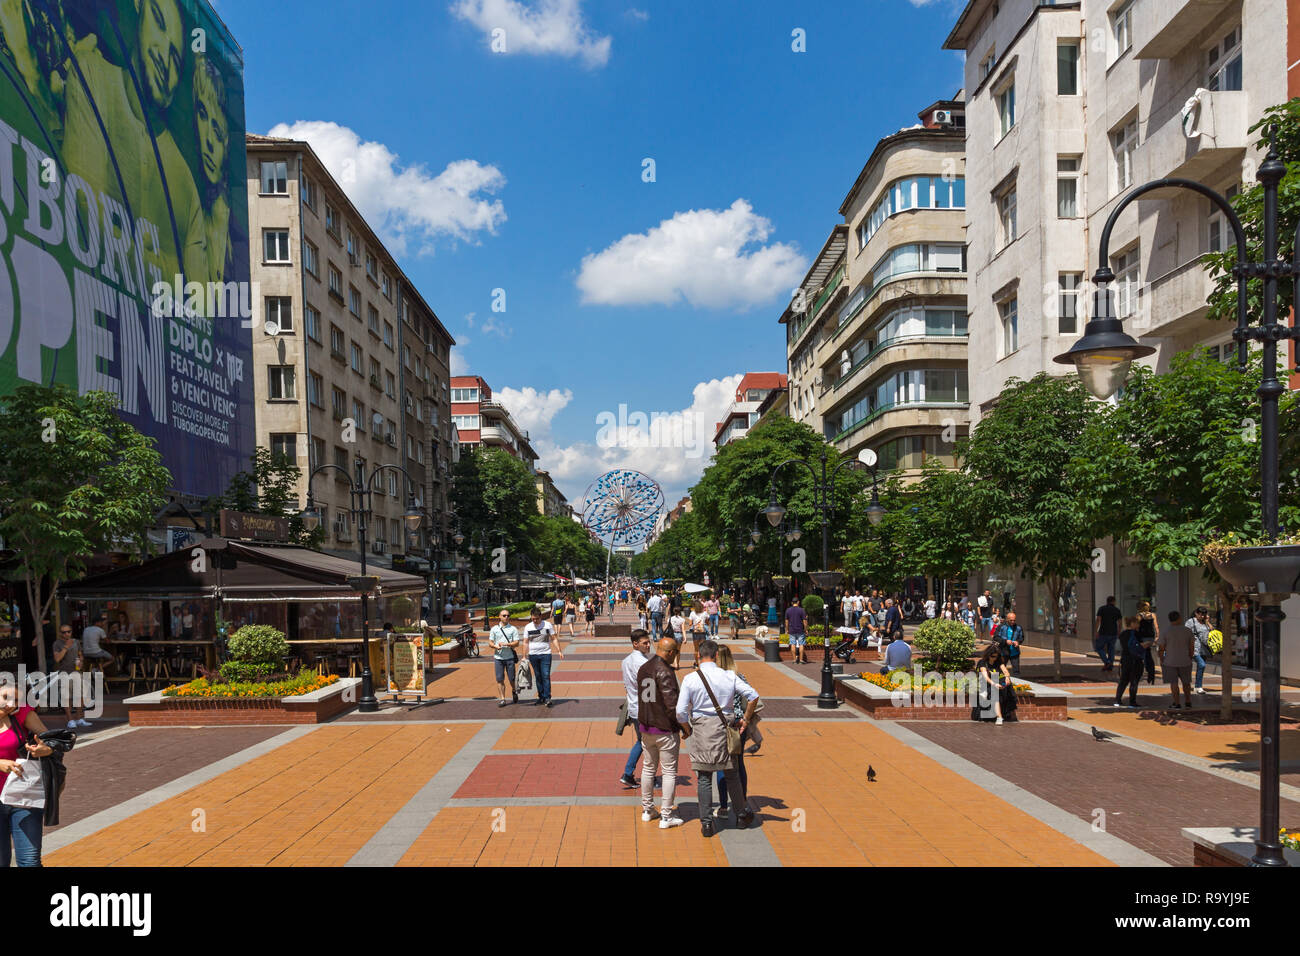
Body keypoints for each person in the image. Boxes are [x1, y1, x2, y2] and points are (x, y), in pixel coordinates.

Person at [677, 640, 758, 837]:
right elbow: (753, 695)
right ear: (715, 656)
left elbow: (680, 711)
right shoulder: (728, 676)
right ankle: (740, 815)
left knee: (704, 778)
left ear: (698, 656)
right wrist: (745, 720)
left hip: (702, 728)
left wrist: (687, 729)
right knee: (732, 774)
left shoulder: (690, 679)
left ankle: (706, 823)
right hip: (726, 727)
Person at [0, 681, 56, 866]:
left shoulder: (22, 714)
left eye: (16, 700)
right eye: (5, 698)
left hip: (23, 796)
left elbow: (52, 741)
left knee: (30, 861)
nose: (11, 704)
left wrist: (45, 749)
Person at [637, 636, 689, 829]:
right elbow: (672, 704)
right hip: (664, 728)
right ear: (670, 652)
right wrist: (685, 726)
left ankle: (647, 809)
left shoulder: (644, 667)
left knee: (648, 768)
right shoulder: (664, 671)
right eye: (675, 652)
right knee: (668, 772)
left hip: (646, 725)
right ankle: (666, 815)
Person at [713, 645, 762, 820]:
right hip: (737, 725)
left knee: (721, 764)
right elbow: (752, 697)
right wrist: (746, 719)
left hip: (719, 724)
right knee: (738, 762)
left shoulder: (713, 678)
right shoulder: (738, 677)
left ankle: (724, 805)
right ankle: (742, 800)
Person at [618, 630, 653, 789]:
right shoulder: (644, 664)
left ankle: (628, 774)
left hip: (633, 707)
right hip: (645, 709)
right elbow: (649, 690)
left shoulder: (625, 661)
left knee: (642, 741)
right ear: (635, 643)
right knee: (651, 743)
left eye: (648, 642)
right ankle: (649, 777)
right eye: (645, 643)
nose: (648, 645)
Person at [523, 607, 564, 707]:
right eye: (533, 619)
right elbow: (525, 642)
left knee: (545, 675)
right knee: (538, 676)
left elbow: (553, 638)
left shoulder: (547, 625)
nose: (535, 621)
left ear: (540, 617)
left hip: (546, 654)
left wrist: (559, 650)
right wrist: (524, 656)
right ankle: (541, 696)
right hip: (533, 655)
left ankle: (547, 697)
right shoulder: (528, 627)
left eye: (536, 619)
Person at [51, 625, 90, 729]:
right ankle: (70, 720)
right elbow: (57, 659)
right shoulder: (57, 644)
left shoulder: (76, 642)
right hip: (64, 673)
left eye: (68, 631)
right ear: (60, 633)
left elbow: (80, 654)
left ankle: (79, 718)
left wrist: (80, 661)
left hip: (76, 672)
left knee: (80, 696)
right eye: (64, 632)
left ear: (71, 632)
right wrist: (66, 647)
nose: (66, 634)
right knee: (66, 697)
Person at [1157, 611, 1195, 709]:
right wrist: (1190, 657)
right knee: (1186, 683)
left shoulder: (1165, 631)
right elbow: (1192, 647)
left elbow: (1161, 648)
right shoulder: (1187, 631)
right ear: (1179, 618)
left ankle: (1176, 703)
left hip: (1170, 661)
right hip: (1185, 660)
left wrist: (1161, 659)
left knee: (1173, 683)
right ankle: (1188, 701)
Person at [973, 643, 1016, 724]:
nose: (994, 658)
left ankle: (1003, 715)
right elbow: (986, 677)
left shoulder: (998, 661)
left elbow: (1005, 671)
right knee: (994, 692)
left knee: (1005, 686)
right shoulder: (982, 663)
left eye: (996, 656)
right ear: (988, 655)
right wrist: (994, 684)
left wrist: (1007, 678)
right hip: (987, 684)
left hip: (998, 683)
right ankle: (999, 717)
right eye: (992, 656)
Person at [488, 610, 520, 707]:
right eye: (504, 615)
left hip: (510, 657)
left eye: (508, 615)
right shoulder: (494, 629)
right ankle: (502, 699)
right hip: (498, 658)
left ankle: (514, 691)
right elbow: (490, 642)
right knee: (499, 679)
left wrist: (507, 644)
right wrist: (495, 646)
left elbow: (517, 643)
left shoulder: (513, 629)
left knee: (512, 679)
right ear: (499, 616)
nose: (506, 617)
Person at [1114, 617, 1146, 707]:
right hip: (1136, 660)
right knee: (1134, 681)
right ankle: (1132, 702)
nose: (1138, 625)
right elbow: (1141, 646)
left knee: (1123, 681)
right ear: (1132, 623)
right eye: (1137, 623)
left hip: (1125, 659)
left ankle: (1117, 700)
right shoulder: (1136, 634)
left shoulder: (1122, 634)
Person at [1094, 596, 1123, 673]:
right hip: (1113, 632)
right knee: (1111, 649)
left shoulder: (1102, 609)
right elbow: (1120, 622)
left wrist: (1096, 631)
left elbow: (1098, 620)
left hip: (1103, 632)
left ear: (1107, 601)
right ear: (1114, 601)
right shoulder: (1117, 610)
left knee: (1098, 648)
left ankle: (1107, 662)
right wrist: (1119, 631)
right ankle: (1110, 664)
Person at [1187, 606, 1212, 695]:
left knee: (1200, 668)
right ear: (1196, 613)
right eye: (1200, 614)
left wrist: (1207, 622)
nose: (1202, 616)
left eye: (1203, 615)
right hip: (1195, 648)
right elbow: (1185, 633)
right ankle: (1197, 686)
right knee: (1202, 664)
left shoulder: (1205, 622)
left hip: (1204, 648)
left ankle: (1198, 687)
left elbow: (1212, 630)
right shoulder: (1191, 621)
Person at [785, 599, 808, 664]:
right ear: (798, 602)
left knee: (792, 644)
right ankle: (801, 660)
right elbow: (804, 621)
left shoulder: (788, 610)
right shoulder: (801, 610)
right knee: (801, 644)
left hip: (792, 630)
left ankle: (794, 660)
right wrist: (806, 629)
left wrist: (787, 629)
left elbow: (786, 621)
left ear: (792, 602)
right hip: (800, 630)